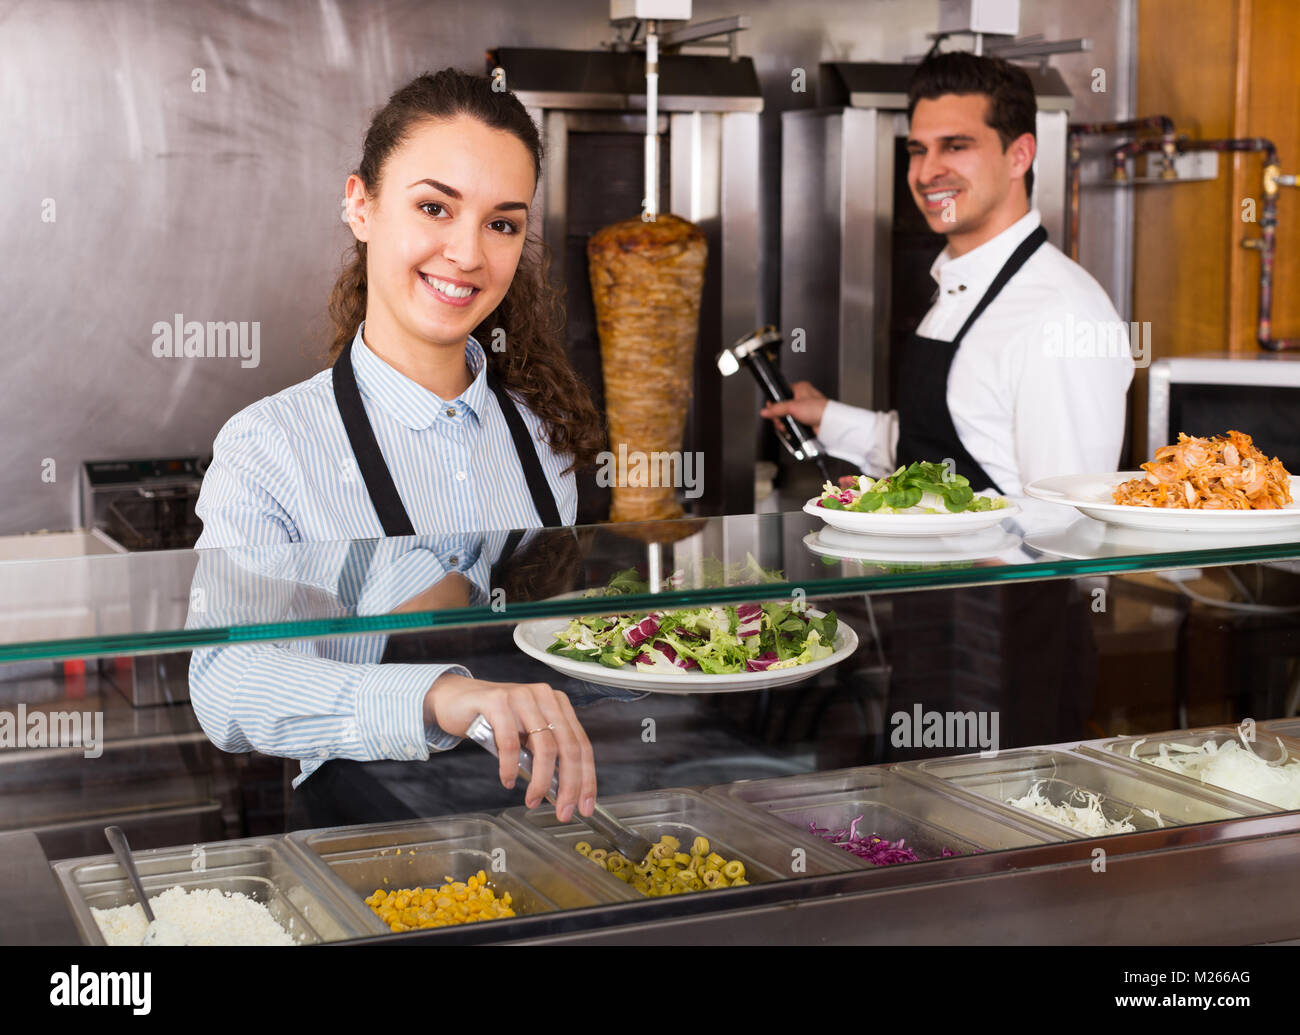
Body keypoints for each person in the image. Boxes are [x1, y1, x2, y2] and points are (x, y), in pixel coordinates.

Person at [189, 69, 606, 827]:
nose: (468, 253)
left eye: (501, 223)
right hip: (374, 845)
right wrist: (437, 695)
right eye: (434, 207)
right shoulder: (271, 446)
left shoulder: (542, 439)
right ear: (361, 205)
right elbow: (227, 684)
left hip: (547, 830)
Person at [763, 51, 1134, 495]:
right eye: (918, 150)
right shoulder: (957, 285)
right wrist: (827, 417)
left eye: (956, 146)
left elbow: (1069, 524)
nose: (927, 172)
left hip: (981, 568)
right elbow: (937, 453)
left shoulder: (1063, 315)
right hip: (928, 566)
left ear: (1019, 156)